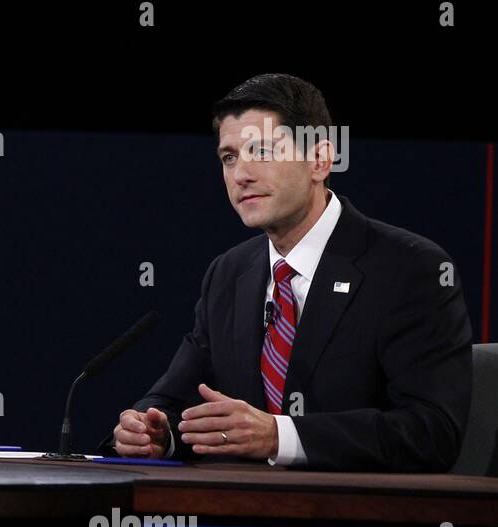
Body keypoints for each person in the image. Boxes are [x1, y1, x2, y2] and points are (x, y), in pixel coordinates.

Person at [109, 74, 471, 472]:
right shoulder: (229, 274)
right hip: (236, 516)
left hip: (358, 523)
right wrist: (154, 430)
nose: (240, 174)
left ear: (320, 159)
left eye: (261, 151)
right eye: (229, 158)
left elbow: (432, 433)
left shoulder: (409, 268)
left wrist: (280, 436)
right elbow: (173, 400)